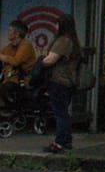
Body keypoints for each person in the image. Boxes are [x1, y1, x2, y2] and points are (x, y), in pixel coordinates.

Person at [40, 13, 81, 154]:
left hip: (59, 81)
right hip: (68, 81)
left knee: (60, 113)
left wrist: (41, 62)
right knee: (63, 111)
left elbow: (50, 59)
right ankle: (66, 140)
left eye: (57, 23)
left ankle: (59, 142)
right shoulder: (73, 41)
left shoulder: (63, 41)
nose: (55, 26)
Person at [0, 20, 36, 110]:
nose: (7, 32)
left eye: (10, 30)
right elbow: (2, 53)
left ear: (17, 34)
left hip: (22, 81)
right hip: (10, 79)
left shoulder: (26, 45)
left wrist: (2, 57)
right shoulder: (10, 46)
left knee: (5, 87)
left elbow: (16, 61)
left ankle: (12, 110)